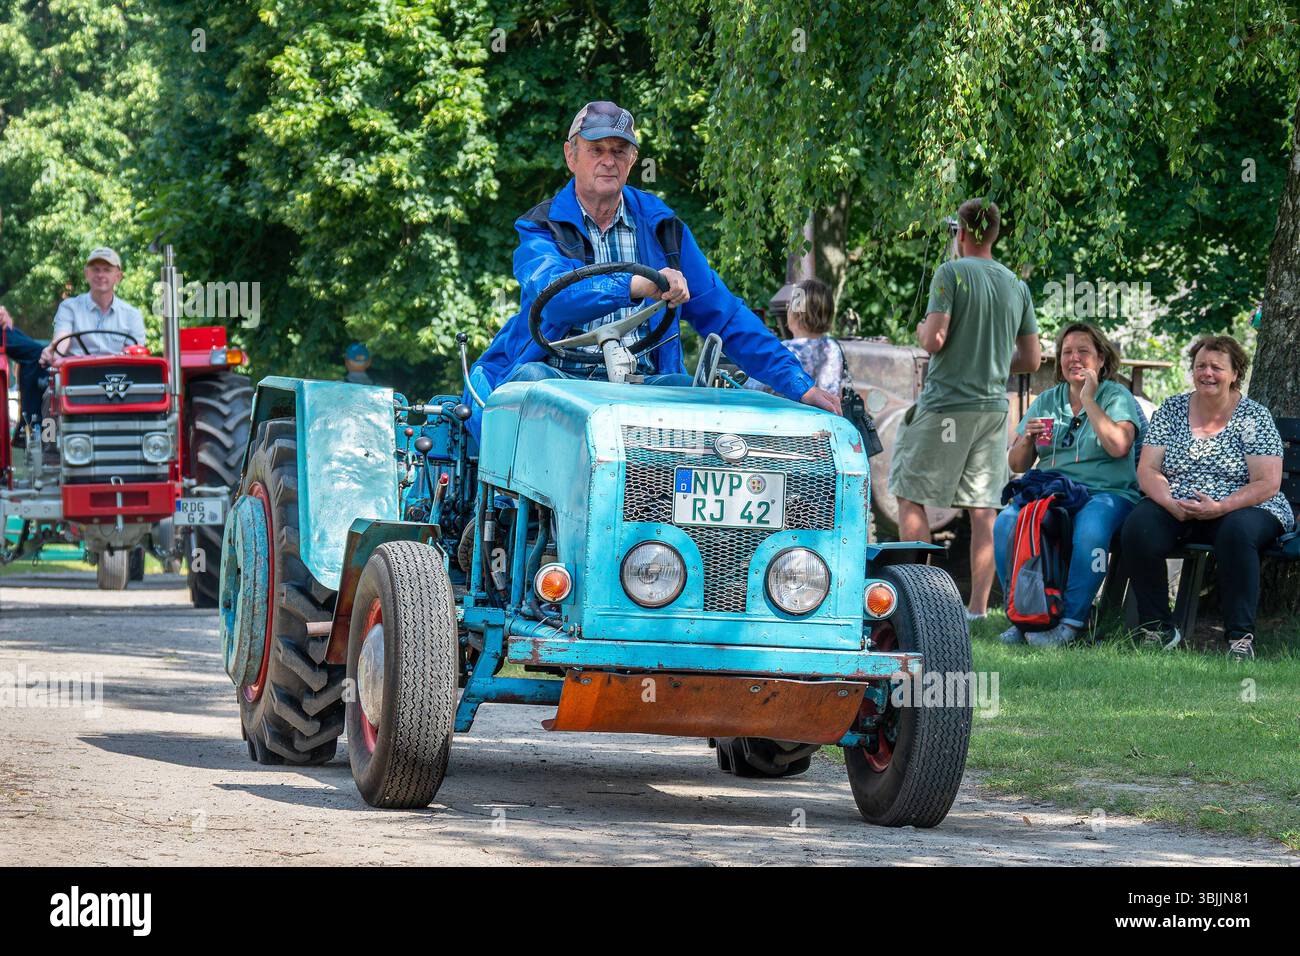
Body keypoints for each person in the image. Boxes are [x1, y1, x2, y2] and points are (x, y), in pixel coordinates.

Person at [465, 100, 839, 439]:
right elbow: (557, 300)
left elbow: (724, 317)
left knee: (690, 398)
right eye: (596, 150)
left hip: (643, 382)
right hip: (560, 373)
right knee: (531, 387)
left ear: (632, 160)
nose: (608, 160)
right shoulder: (540, 228)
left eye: (619, 150)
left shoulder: (664, 229)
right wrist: (635, 285)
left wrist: (798, 385)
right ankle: (518, 511)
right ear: (571, 156)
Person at [889, 198, 1042, 620]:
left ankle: (920, 605)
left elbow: (933, 341)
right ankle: (977, 611)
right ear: (993, 234)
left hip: (946, 408)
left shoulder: (950, 273)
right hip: (993, 411)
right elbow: (1031, 359)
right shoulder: (1016, 284)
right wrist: (989, 360)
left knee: (910, 495)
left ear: (959, 233)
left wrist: (924, 329)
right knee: (983, 511)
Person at [1120, 335, 1293, 660]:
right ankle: (1158, 628)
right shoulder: (1171, 409)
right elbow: (1148, 470)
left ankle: (1240, 639)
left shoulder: (1254, 416)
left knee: (1237, 533)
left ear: (1235, 373)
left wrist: (1221, 507)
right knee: (1138, 527)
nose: (1207, 373)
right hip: (1180, 504)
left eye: (1217, 367)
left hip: (1245, 506)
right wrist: (1170, 502)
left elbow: (1267, 482)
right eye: (1201, 366)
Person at [994, 323, 1143, 646]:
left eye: (1083, 351)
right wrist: (1027, 440)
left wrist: (1088, 398)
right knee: (1006, 523)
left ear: (1101, 359)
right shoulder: (1047, 400)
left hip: (1106, 493)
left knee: (1090, 529)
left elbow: (1119, 446)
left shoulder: (1116, 395)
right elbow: (1017, 464)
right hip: (1054, 492)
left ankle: (1071, 623)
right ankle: (1023, 614)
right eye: (1067, 352)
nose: (1074, 358)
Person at [745, 277, 846, 395]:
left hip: (789, 413)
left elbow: (751, 387)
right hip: (826, 412)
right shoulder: (833, 347)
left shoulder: (785, 349)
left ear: (795, 313)